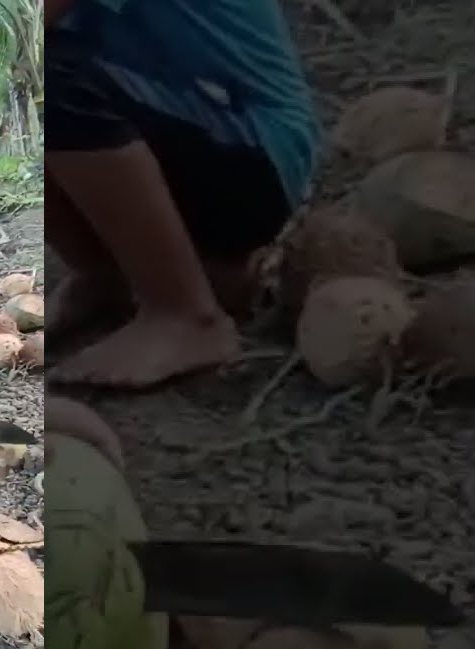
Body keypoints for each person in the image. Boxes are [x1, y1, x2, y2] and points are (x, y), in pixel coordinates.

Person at [44, 0, 320, 387]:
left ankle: (186, 314)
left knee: (39, 73)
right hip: (187, 120)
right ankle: (108, 277)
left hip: (253, 150)